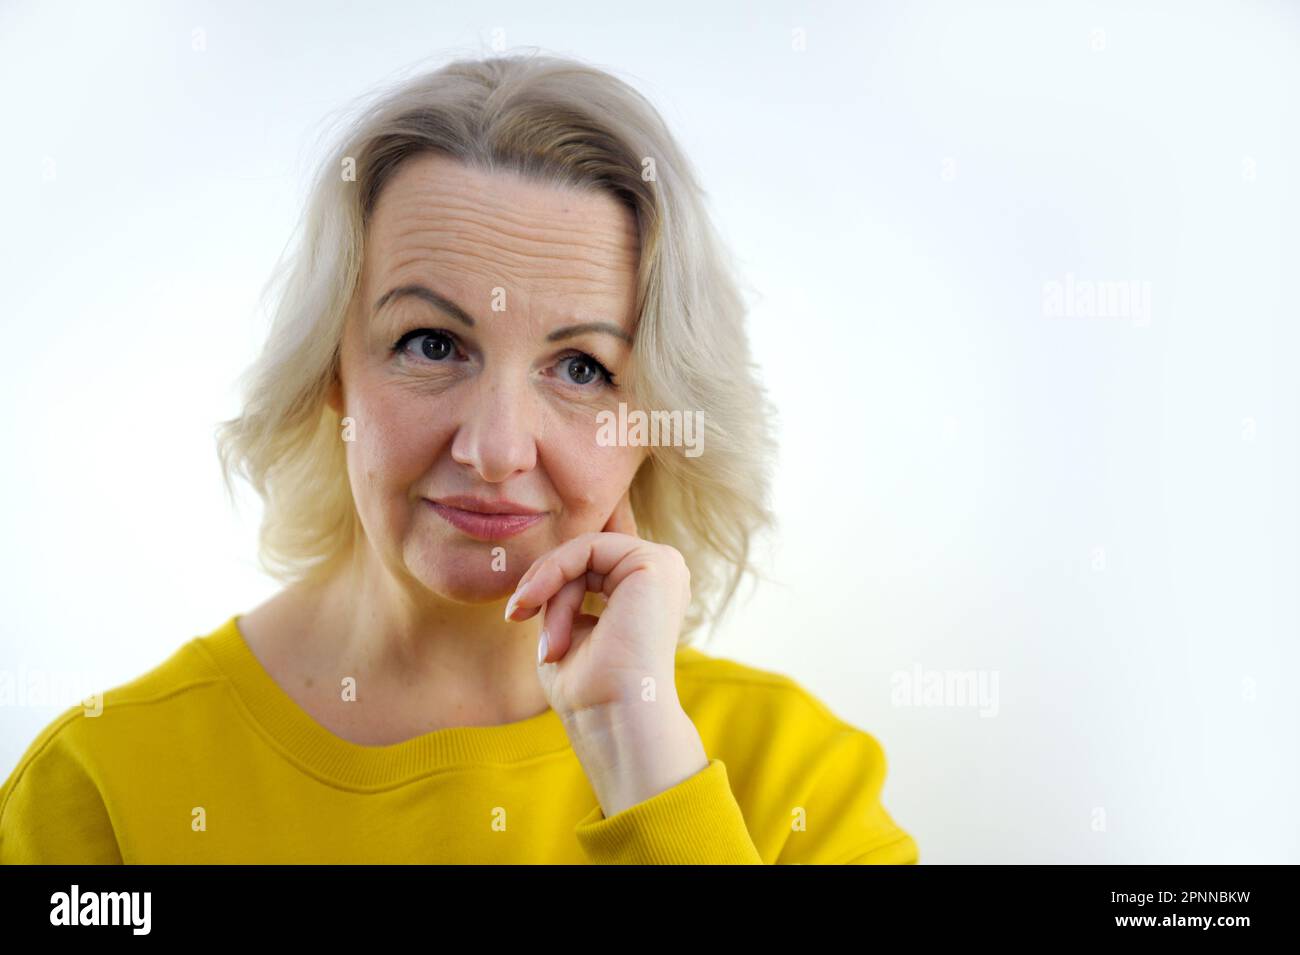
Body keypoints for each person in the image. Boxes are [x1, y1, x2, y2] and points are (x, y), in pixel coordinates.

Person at [0, 52, 918, 864]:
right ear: (332, 370)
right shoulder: (102, 787)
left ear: (657, 418)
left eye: (583, 367)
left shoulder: (798, 783)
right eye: (433, 344)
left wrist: (642, 762)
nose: (494, 449)